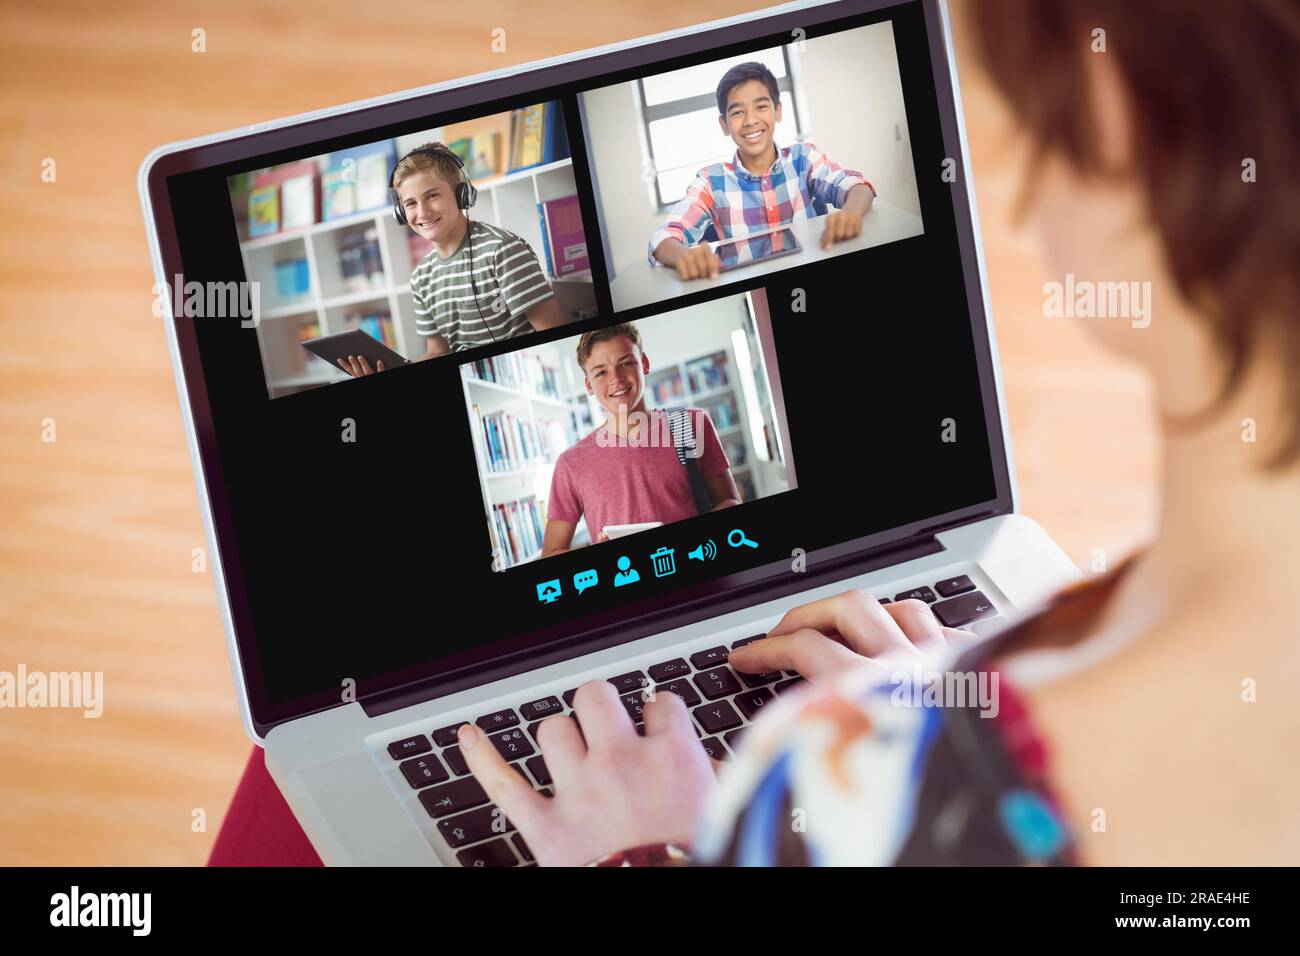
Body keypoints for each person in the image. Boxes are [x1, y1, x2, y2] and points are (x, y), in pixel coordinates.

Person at [452, 0, 1300, 865]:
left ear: (1115, 124)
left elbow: (731, 503)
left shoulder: (819, 785)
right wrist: (953, 692)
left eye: (1029, 110)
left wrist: (655, 847)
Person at [337, 142, 567, 375]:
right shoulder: (420, 277)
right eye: (411, 203)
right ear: (400, 212)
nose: (423, 212)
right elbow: (437, 350)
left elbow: (556, 335)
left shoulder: (503, 250)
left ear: (461, 195)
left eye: (433, 195)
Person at [648, 61, 876, 281]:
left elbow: (856, 186)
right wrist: (685, 257)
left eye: (761, 107)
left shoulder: (803, 158)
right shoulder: (710, 181)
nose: (750, 120)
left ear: (777, 111)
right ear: (724, 125)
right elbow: (663, 238)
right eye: (737, 112)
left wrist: (850, 214)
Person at [541, 322, 741, 557]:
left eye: (625, 363)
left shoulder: (691, 423)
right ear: (589, 385)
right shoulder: (570, 464)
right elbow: (551, 553)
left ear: (644, 364)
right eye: (601, 372)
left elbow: (730, 502)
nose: (616, 378)